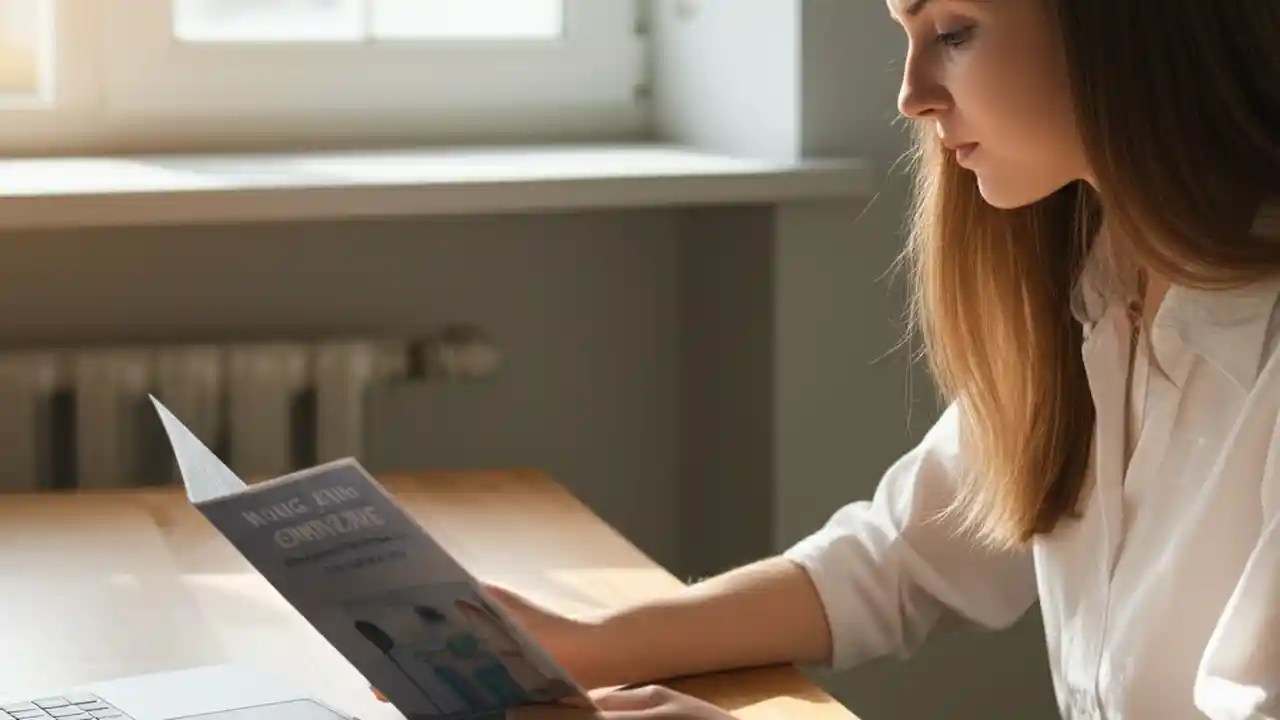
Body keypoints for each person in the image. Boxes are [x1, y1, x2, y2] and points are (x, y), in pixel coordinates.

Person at [488, 1, 1280, 718]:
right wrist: (583, 644)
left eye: (954, 32)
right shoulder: (1095, 280)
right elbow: (899, 557)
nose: (911, 95)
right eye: (907, 34)